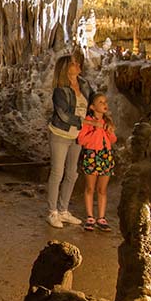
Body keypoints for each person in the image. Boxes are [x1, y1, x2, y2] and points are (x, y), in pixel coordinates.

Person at [47, 53, 92, 228]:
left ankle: (63, 210)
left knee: (72, 174)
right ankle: (52, 212)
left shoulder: (84, 85)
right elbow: (63, 115)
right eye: (73, 63)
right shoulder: (60, 91)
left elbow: (92, 101)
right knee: (57, 173)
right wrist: (84, 122)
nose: (77, 64)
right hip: (60, 134)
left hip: (77, 136)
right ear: (66, 69)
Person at [77, 93, 117, 231]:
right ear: (92, 107)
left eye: (105, 102)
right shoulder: (87, 121)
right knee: (90, 188)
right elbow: (81, 140)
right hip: (92, 155)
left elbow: (113, 140)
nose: (104, 104)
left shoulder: (108, 122)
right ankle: (90, 217)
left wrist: (109, 131)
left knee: (102, 189)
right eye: (100, 102)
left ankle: (101, 218)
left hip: (106, 156)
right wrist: (96, 129)